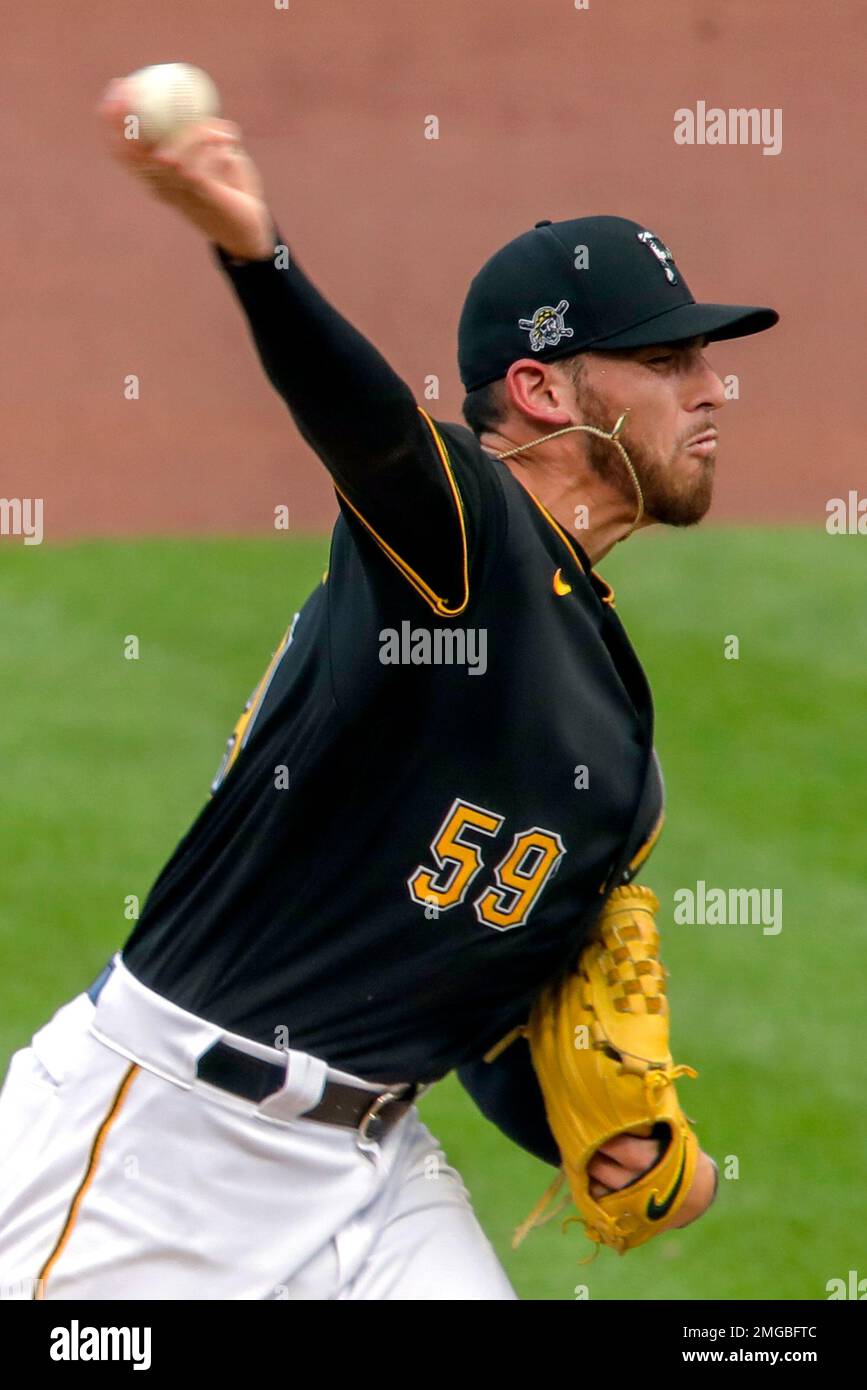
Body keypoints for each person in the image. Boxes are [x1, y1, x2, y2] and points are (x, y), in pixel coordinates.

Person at [0, 84, 776, 1300]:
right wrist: (257, 254)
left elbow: (480, 1019)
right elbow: (369, 433)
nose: (713, 388)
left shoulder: (622, 758)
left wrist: (608, 1141)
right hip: (162, 1141)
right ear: (544, 391)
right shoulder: (466, 544)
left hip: (375, 1171)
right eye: (669, 359)